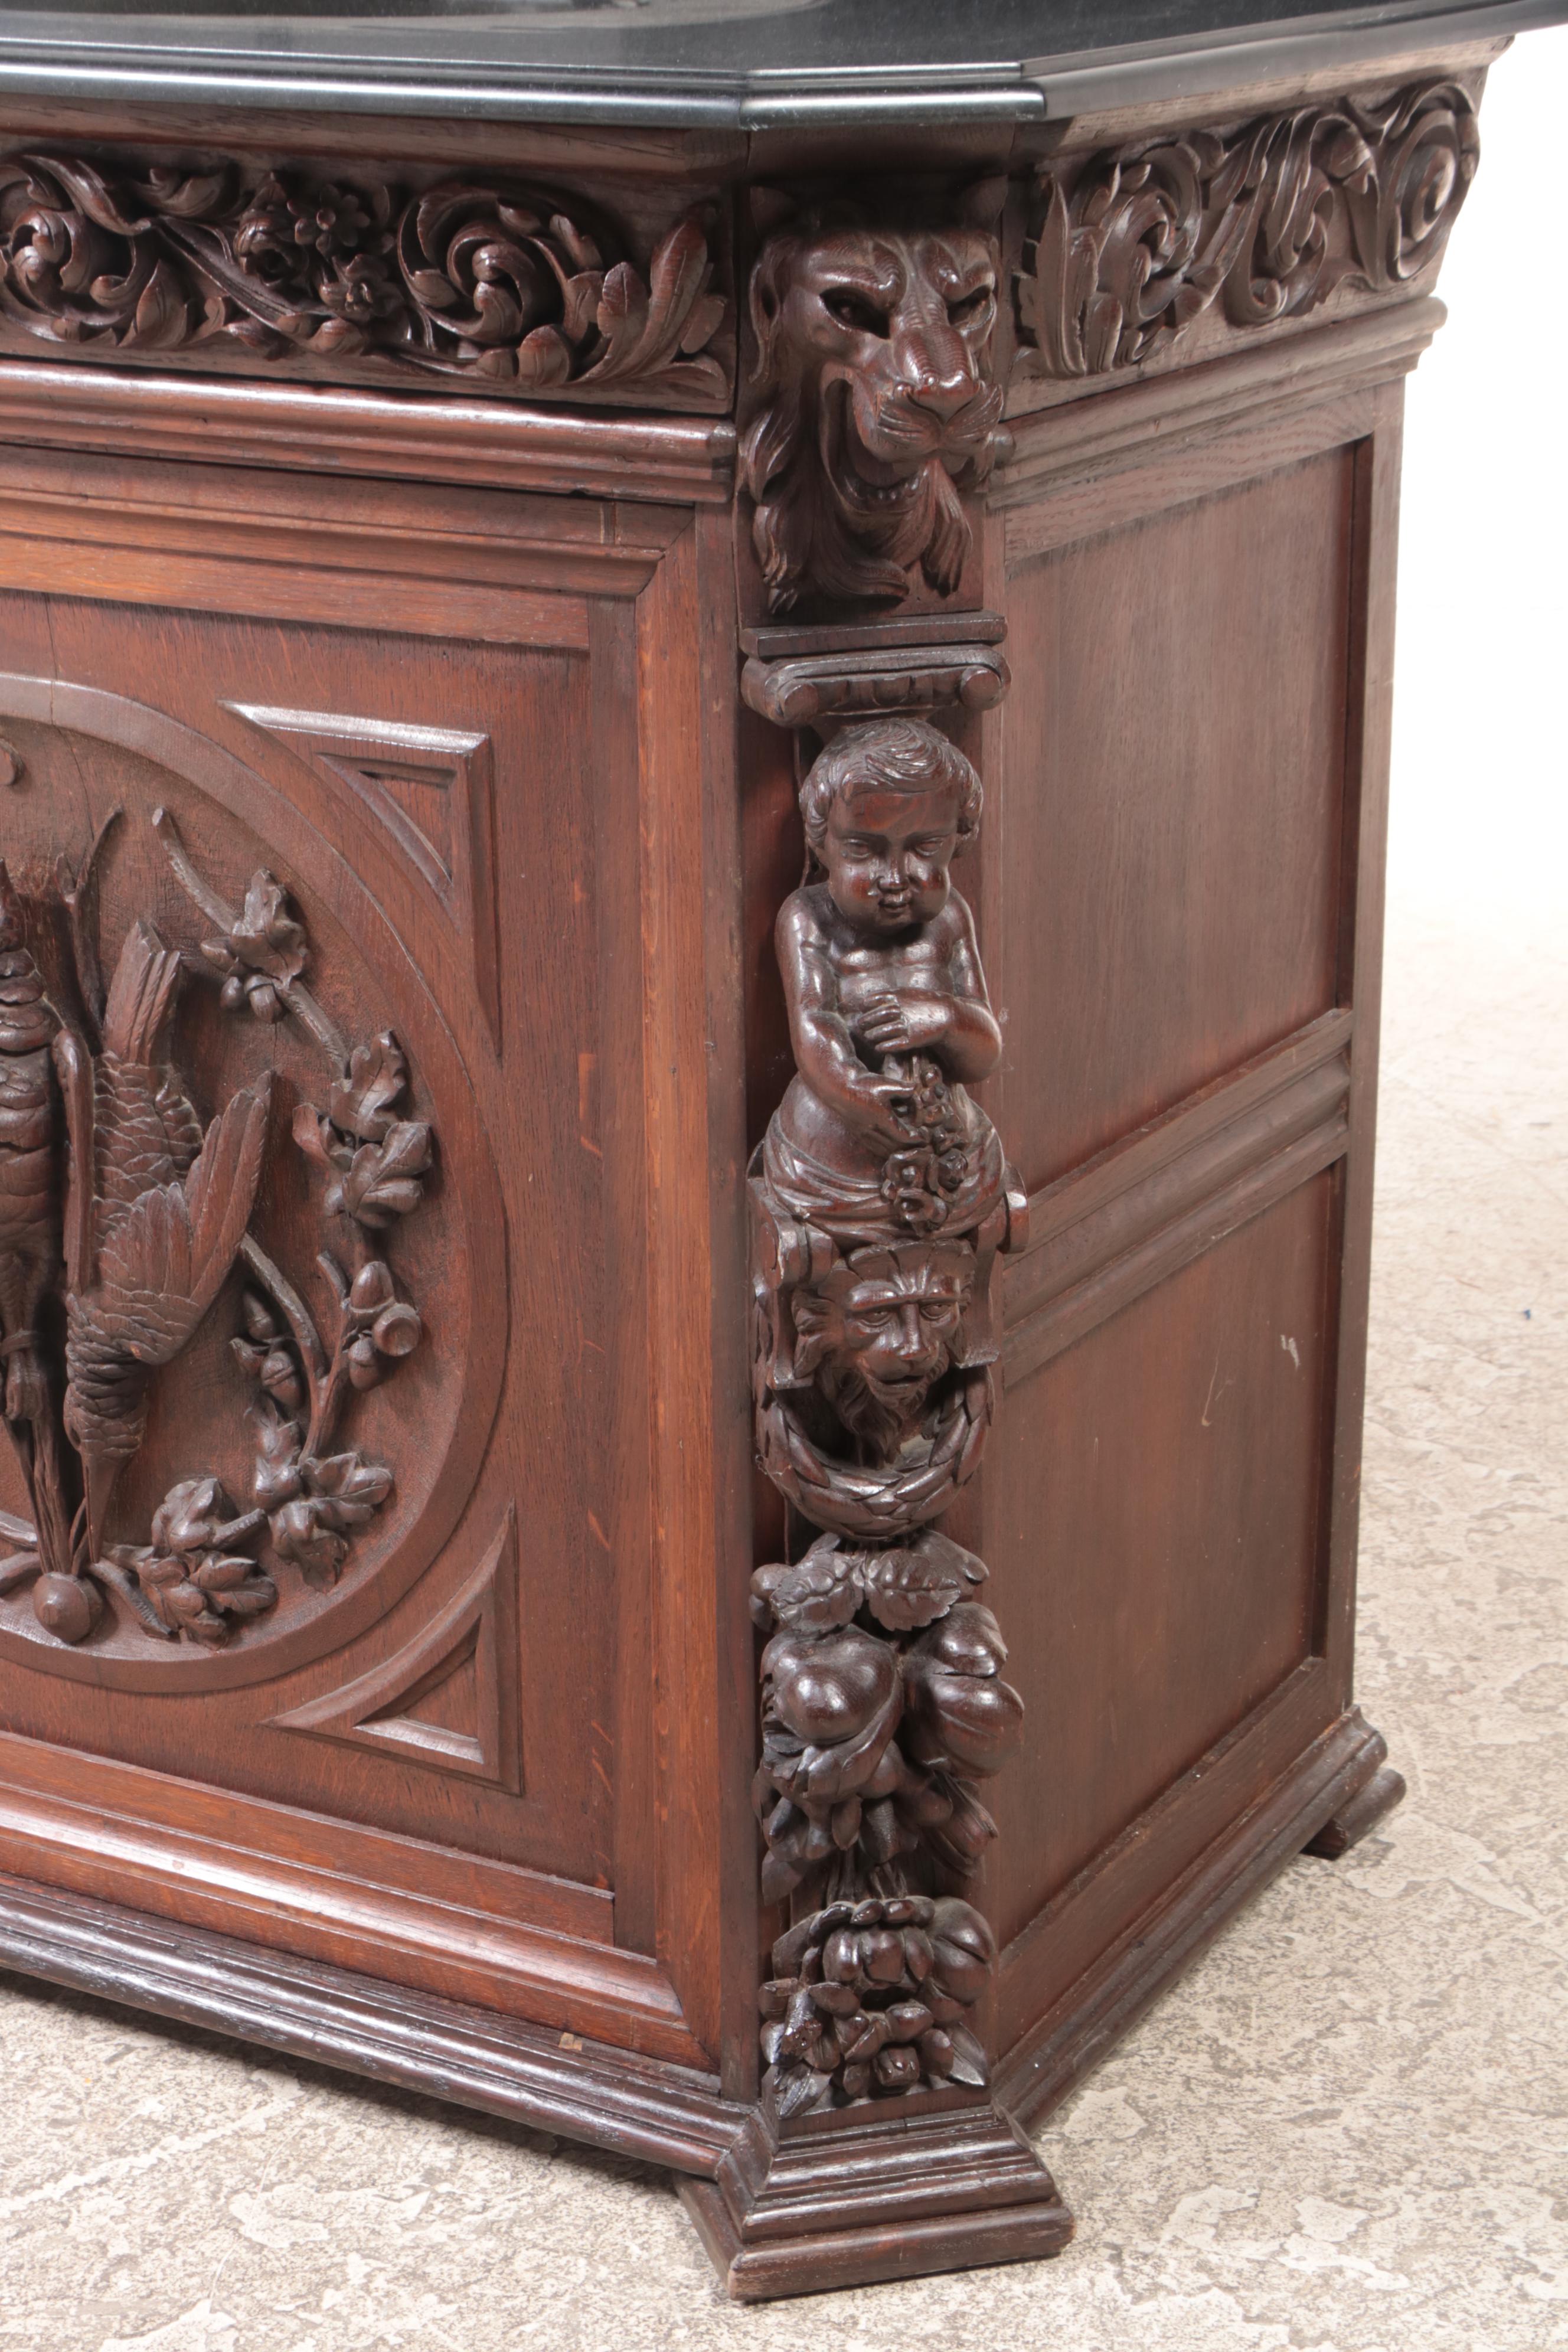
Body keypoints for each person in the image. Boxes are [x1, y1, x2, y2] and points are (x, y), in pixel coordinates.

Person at [762, 716, 1005, 1240]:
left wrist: (943, 1017)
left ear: (956, 840)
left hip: (947, 1151)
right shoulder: (809, 918)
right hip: (833, 1156)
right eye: (863, 850)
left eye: (924, 849)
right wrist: (855, 1087)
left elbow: (985, 1053)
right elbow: (814, 1025)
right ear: (821, 842)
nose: (895, 879)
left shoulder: (948, 919)